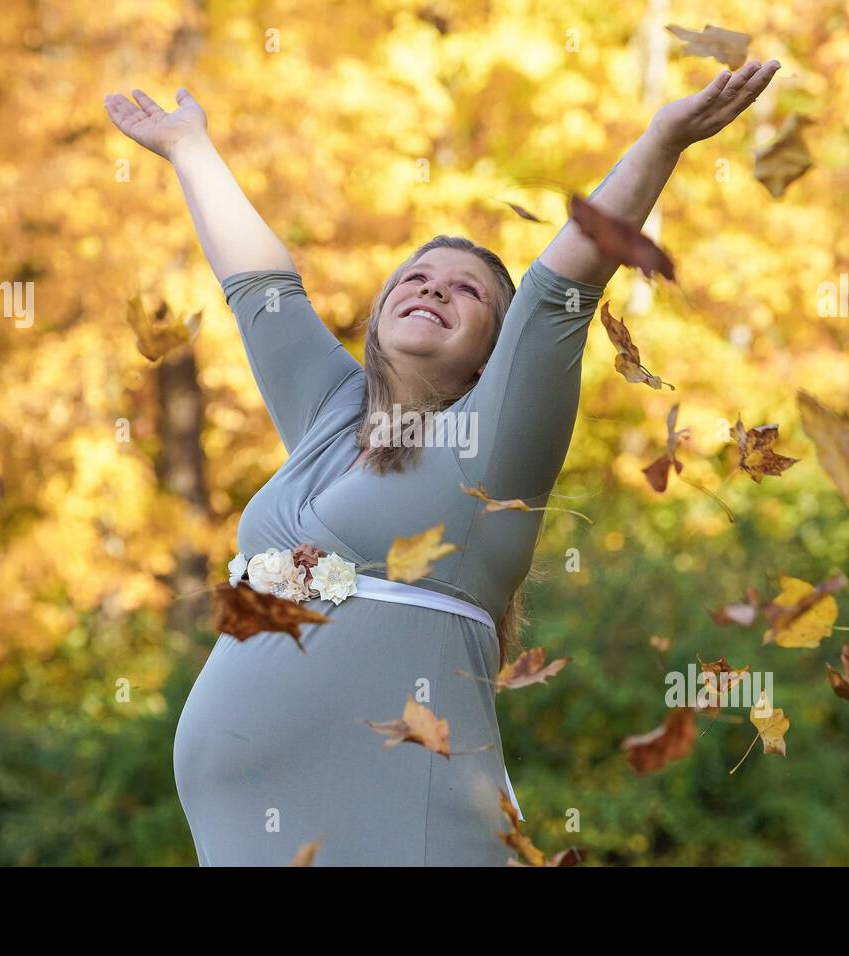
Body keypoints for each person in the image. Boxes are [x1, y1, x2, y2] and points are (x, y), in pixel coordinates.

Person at [104, 59, 780, 866]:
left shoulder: (493, 448)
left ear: (498, 353)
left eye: (467, 291)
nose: (433, 289)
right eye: (415, 277)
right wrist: (190, 149)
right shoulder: (330, 417)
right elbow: (260, 284)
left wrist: (662, 141)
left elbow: (561, 286)